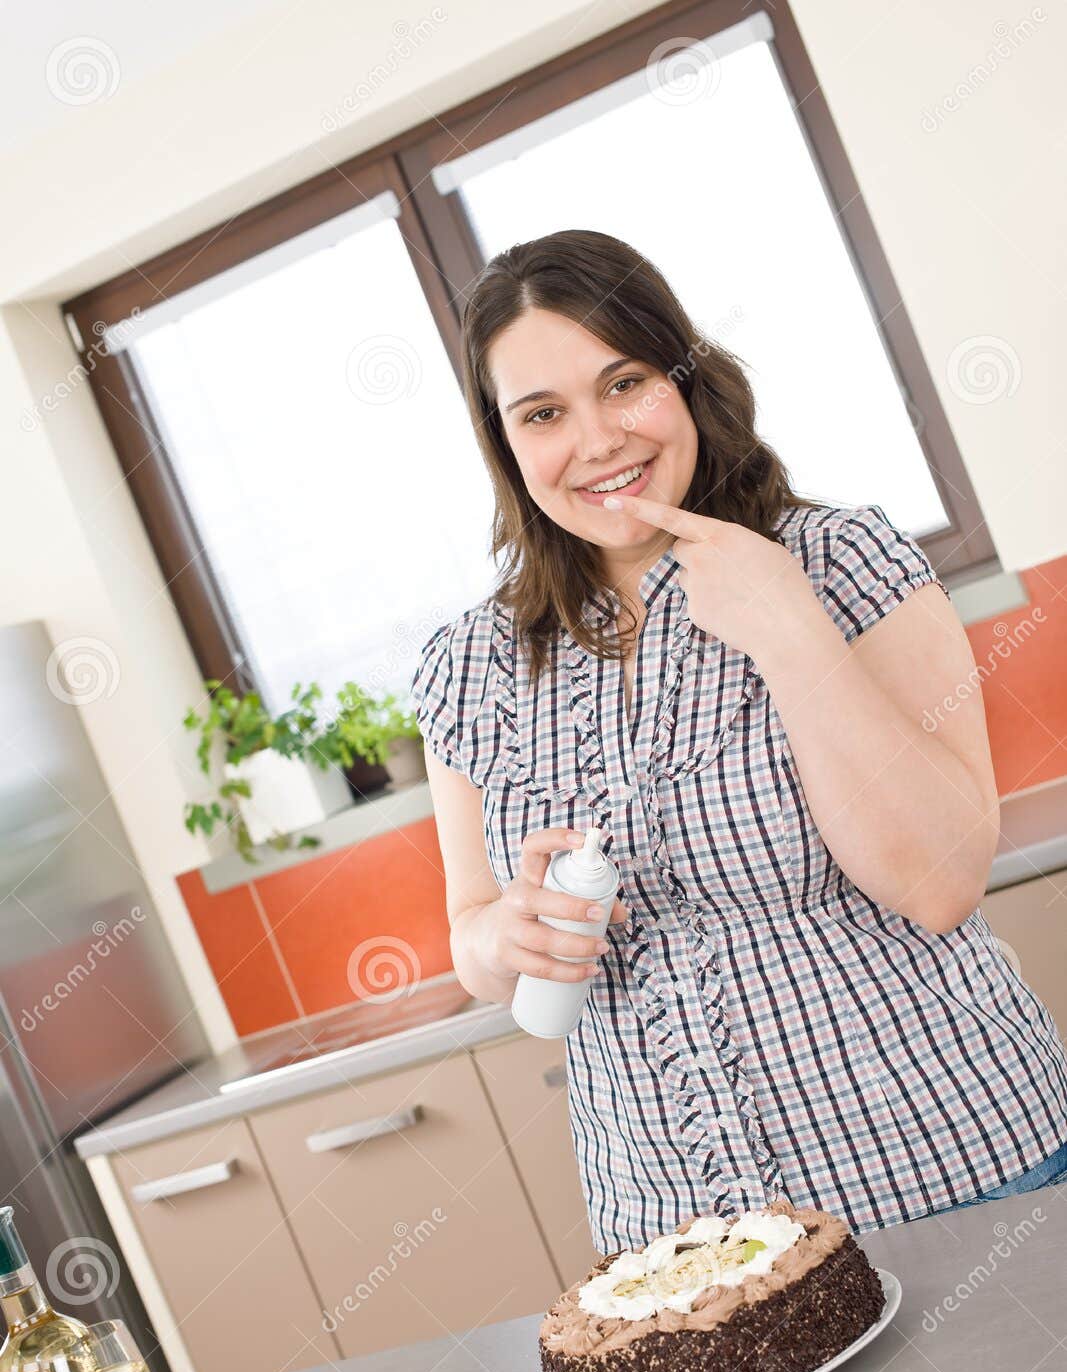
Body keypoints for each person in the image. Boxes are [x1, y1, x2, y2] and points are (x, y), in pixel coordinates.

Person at [410, 229, 1067, 1254]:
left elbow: (939, 882)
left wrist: (790, 630)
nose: (596, 439)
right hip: (684, 1246)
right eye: (542, 413)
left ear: (683, 378)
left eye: (623, 383)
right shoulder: (468, 665)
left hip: (953, 1180)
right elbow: (469, 932)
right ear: (504, 442)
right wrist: (503, 941)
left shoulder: (838, 560)